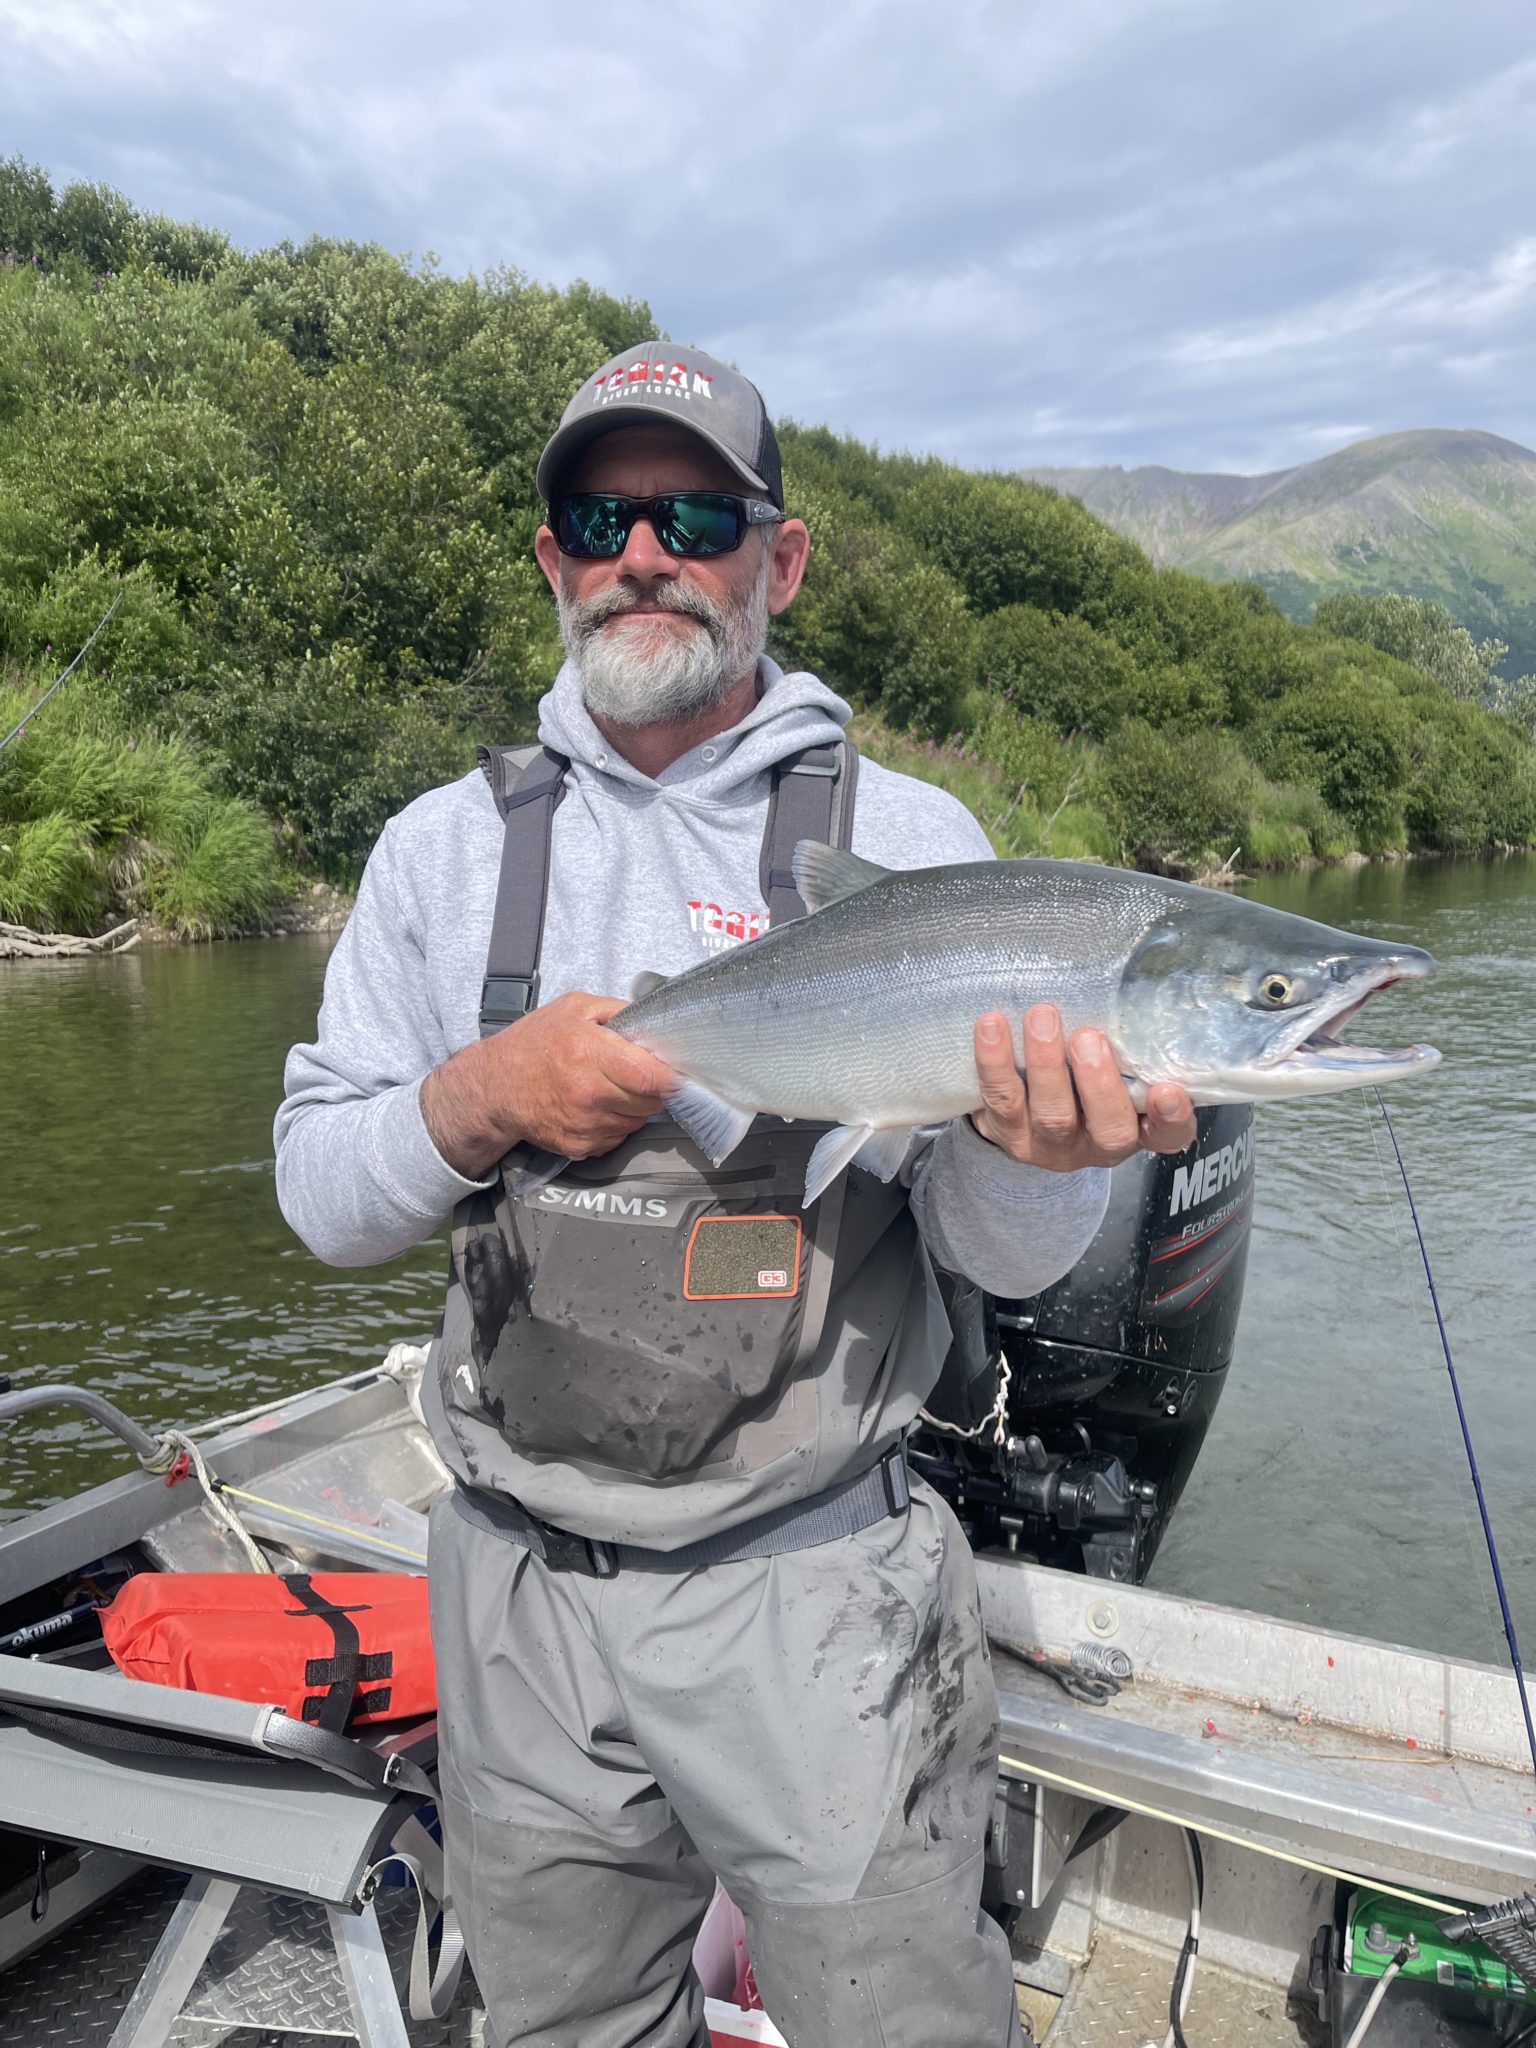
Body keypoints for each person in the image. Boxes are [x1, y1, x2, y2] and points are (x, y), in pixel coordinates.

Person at [275, 342, 1197, 2048]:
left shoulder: (922, 846)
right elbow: (326, 1202)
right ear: (554, 557)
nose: (645, 551)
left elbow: (995, 1254)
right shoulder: (438, 853)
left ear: (776, 560)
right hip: (512, 1585)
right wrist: (476, 1100)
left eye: (694, 513)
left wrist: (1032, 1154)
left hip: (815, 1591)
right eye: (600, 515)